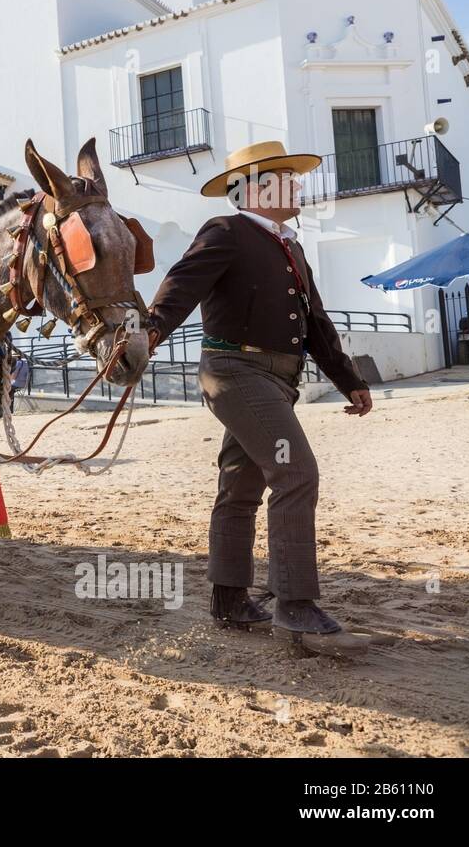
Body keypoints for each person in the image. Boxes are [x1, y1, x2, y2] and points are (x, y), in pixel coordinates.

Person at [145, 141, 373, 658]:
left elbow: (316, 323)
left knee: (240, 484)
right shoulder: (225, 231)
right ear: (255, 188)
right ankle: (294, 605)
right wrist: (148, 331)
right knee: (296, 473)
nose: (297, 185)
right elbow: (180, 286)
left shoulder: (291, 245)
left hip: (277, 380)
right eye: (287, 177)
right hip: (234, 370)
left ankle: (228, 599)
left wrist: (349, 379)